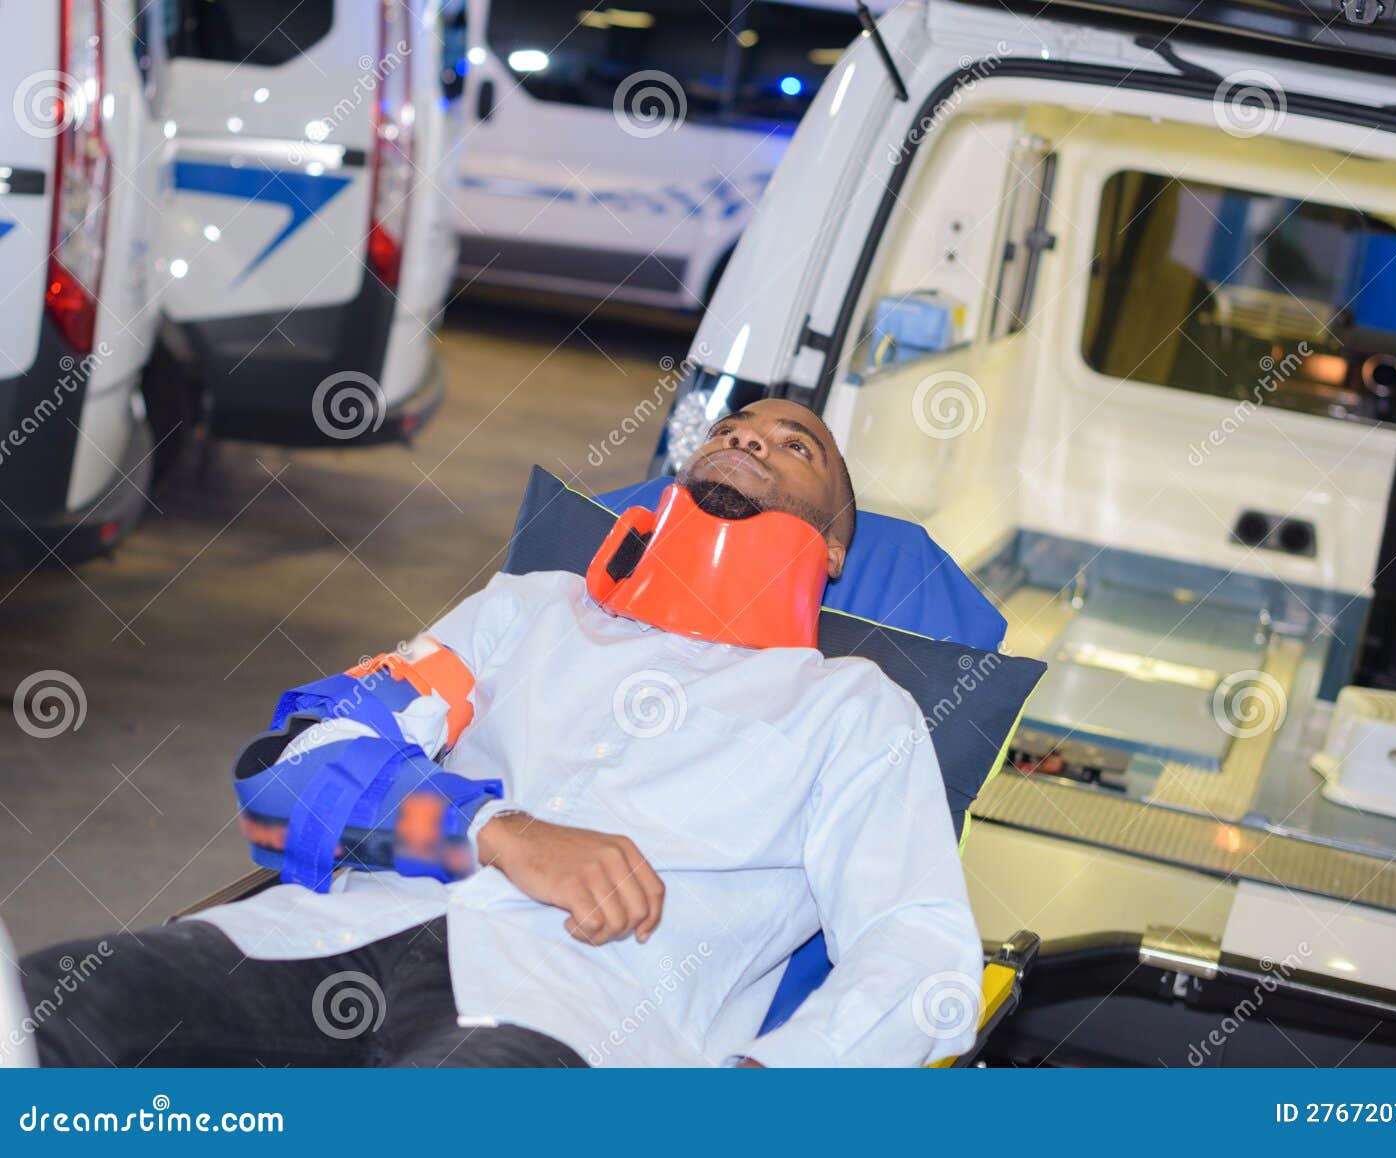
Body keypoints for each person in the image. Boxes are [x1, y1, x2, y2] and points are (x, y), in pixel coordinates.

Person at [17, 401, 982, 1068]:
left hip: (575, 1015)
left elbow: (920, 949)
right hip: (327, 934)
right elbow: (290, 780)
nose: (748, 439)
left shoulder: (852, 708)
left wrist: (772, 1081)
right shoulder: (527, 610)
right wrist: (495, 833)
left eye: (793, 444)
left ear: (837, 547)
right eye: (731, 428)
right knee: (46, 1010)